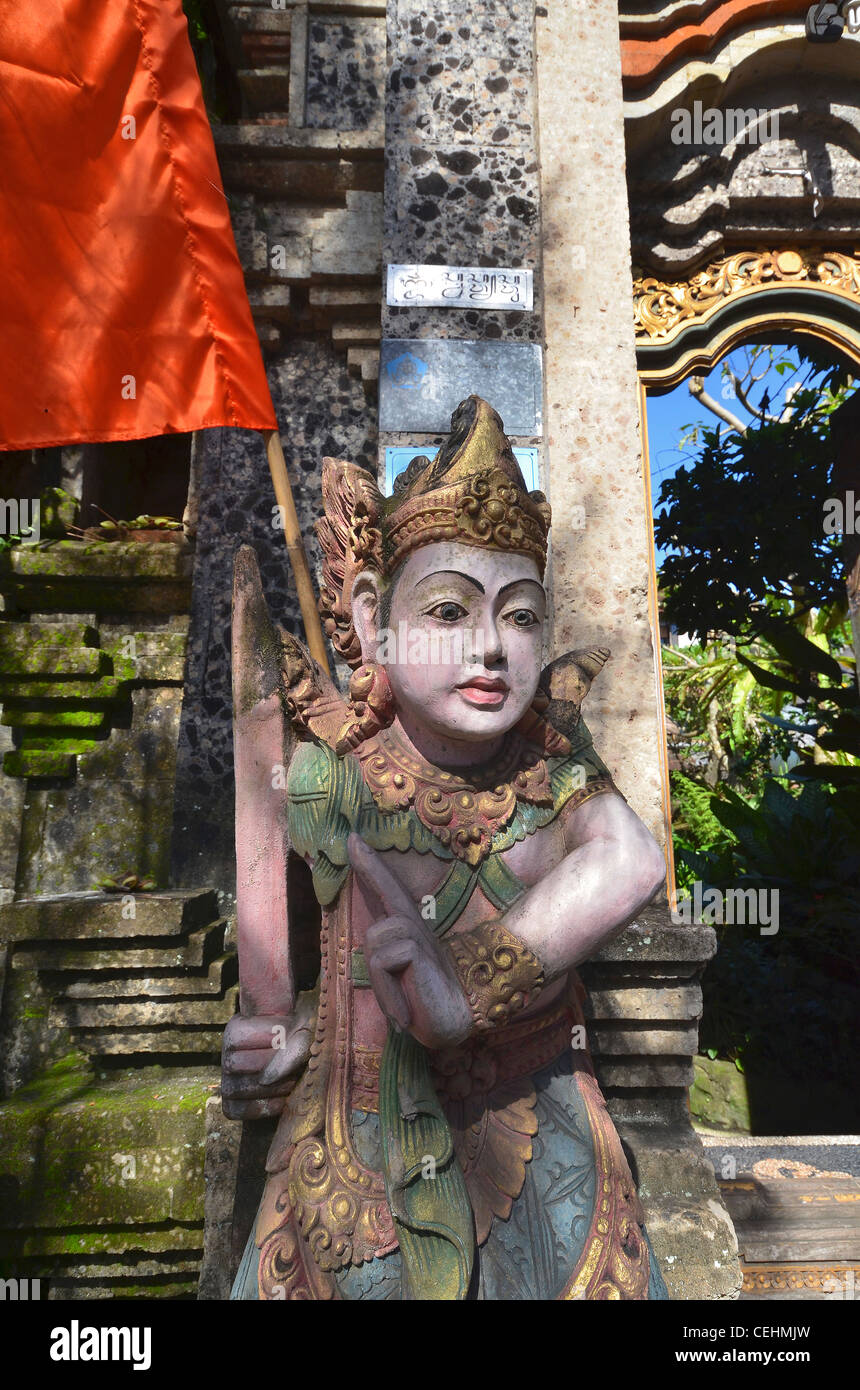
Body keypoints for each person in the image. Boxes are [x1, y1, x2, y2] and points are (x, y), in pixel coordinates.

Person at [224, 395, 669, 1299]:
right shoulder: (326, 779)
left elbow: (630, 859)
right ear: (370, 616)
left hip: (543, 1146)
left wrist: (461, 987)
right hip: (352, 1157)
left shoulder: (551, 769)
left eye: (519, 616)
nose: (492, 649)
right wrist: (286, 1037)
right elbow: (324, 973)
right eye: (448, 609)